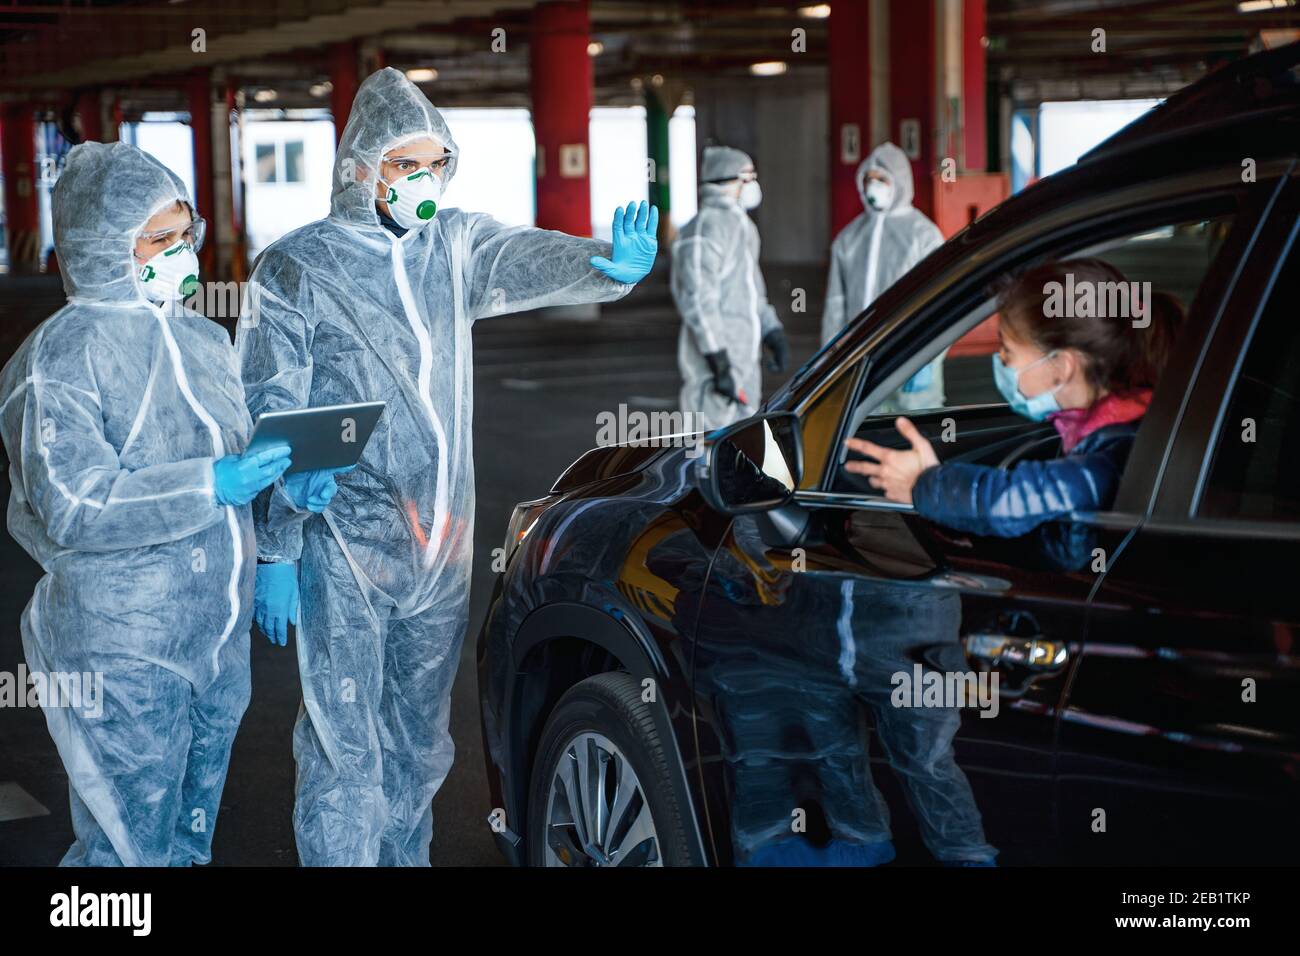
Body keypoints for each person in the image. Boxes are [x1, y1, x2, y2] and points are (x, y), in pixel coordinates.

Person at [236, 67, 658, 867]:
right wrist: (278, 540)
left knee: (421, 743)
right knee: (343, 745)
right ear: (360, 168)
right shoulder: (297, 269)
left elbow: (522, 257)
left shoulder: (451, 246)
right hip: (343, 540)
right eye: (406, 164)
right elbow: (267, 411)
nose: (423, 181)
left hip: (440, 542)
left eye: (436, 163)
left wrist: (607, 261)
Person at [0, 142, 333, 865]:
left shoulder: (205, 338)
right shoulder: (61, 359)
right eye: (161, 240)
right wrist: (208, 485)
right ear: (102, 246)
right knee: (125, 847)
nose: (183, 253)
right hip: (120, 648)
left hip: (213, 643)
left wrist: (288, 487)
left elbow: (241, 452)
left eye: (186, 235)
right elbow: (73, 505)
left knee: (185, 838)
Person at [845, 257, 1183, 538]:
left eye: (1007, 349)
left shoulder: (1115, 452)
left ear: (1060, 367)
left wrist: (924, 484)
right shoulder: (1097, 429)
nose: (1001, 361)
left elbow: (1008, 501)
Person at [821, 142, 945, 411]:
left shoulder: (924, 236)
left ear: (899, 182)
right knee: (865, 440)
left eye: (881, 179)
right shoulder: (849, 239)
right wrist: (828, 363)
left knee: (913, 443)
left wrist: (928, 359)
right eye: (868, 179)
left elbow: (942, 303)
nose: (873, 186)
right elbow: (835, 307)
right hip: (859, 372)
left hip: (910, 363)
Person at [672, 145, 788, 432]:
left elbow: (752, 292)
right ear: (725, 181)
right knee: (709, 449)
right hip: (713, 370)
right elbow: (699, 301)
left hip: (744, 361)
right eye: (747, 177)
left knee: (744, 445)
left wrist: (771, 330)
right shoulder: (703, 230)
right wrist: (718, 361)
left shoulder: (744, 227)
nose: (753, 185)